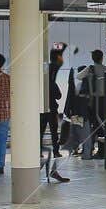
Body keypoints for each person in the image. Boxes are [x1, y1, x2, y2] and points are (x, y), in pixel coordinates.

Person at [42, 44, 72, 182]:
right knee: (53, 129)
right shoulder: (52, 68)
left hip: (44, 105)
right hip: (49, 105)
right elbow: (54, 87)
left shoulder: (48, 68)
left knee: (43, 130)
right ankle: (55, 151)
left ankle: (51, 152)